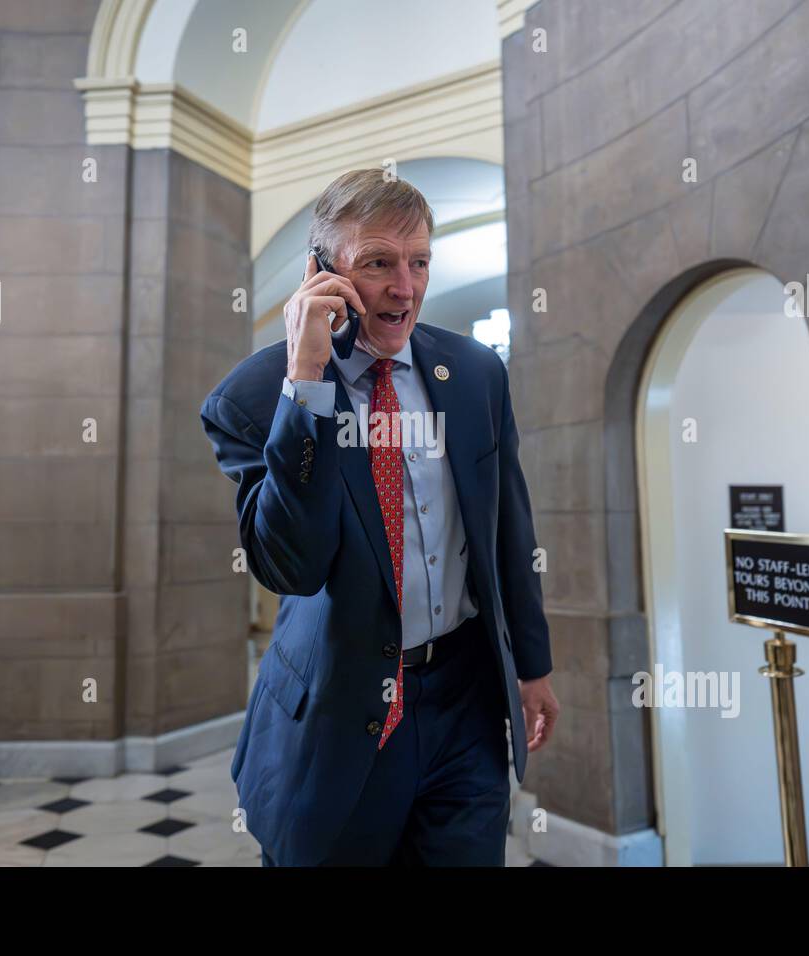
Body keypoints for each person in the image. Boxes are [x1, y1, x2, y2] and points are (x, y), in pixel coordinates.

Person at [200, 169, 559, 866]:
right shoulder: (249, 399)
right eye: (378, 264)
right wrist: (305, 383)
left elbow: (509, 531)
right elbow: (289, 566)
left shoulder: (476, 372)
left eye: (419, 262)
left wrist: (533, 663)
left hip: (464, 703)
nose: (406, 288)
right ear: (320, 273)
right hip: (340, 714)